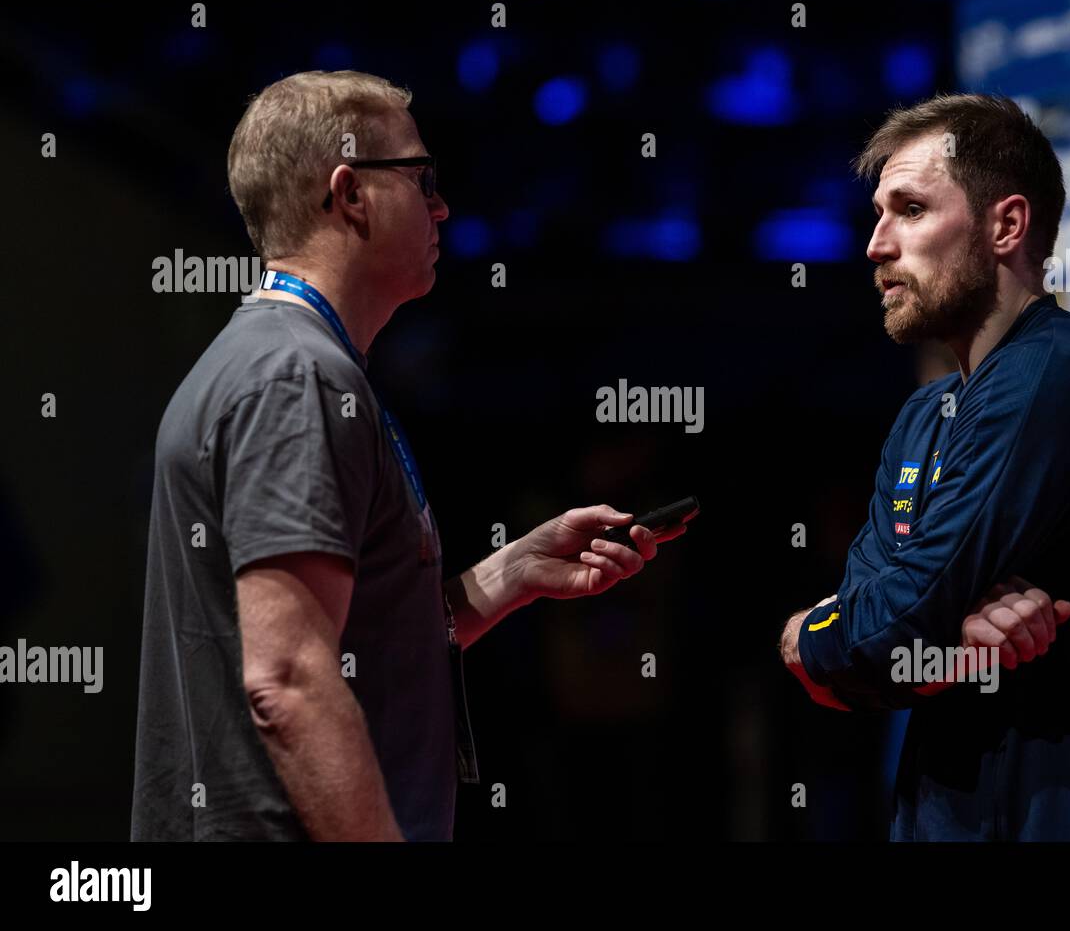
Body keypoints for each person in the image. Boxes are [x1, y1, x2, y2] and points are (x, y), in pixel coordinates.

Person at [131, 70, 683, 841]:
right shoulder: (296, 378)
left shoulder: (291, 363)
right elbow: (288, 678)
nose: (441, 205)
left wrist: (508, 574)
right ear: (350, 193)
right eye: (421, 179)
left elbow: (356, 639)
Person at [779, 93, 1070, 841]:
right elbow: (864, 657)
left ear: (1006, 226)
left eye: (909, 210)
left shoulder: (1057, 376)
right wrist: (950, 654)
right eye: (878, 214)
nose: (876, 244)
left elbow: (886, 626)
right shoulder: (923, 414)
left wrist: (814, 635)